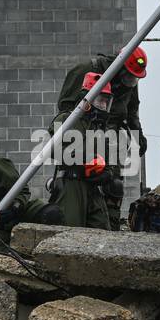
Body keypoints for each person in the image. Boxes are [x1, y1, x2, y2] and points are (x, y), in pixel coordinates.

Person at [56, 46, 148, 228]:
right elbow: (65, 106)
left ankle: (111, 226)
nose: (130, 82)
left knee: (113, 184)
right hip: (86, 131)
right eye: (129, 76)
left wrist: (138, 133)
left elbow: (132, 110)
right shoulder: (86, 71)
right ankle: (81, 215)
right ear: (120, 67)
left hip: (112, 135)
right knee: (85, 178)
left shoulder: (128, 83)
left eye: (134, 78)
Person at [47, 72, 115, 230]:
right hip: (71, 185)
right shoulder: (67, 120)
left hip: (93, 187)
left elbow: (109, 162)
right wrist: (83, 158)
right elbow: (52, 150)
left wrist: (107, 173)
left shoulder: (101, 130)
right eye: (100, 100)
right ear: (88, 99)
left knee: (103, 233)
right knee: (71, 231)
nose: (104, 106)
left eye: (106, 101)